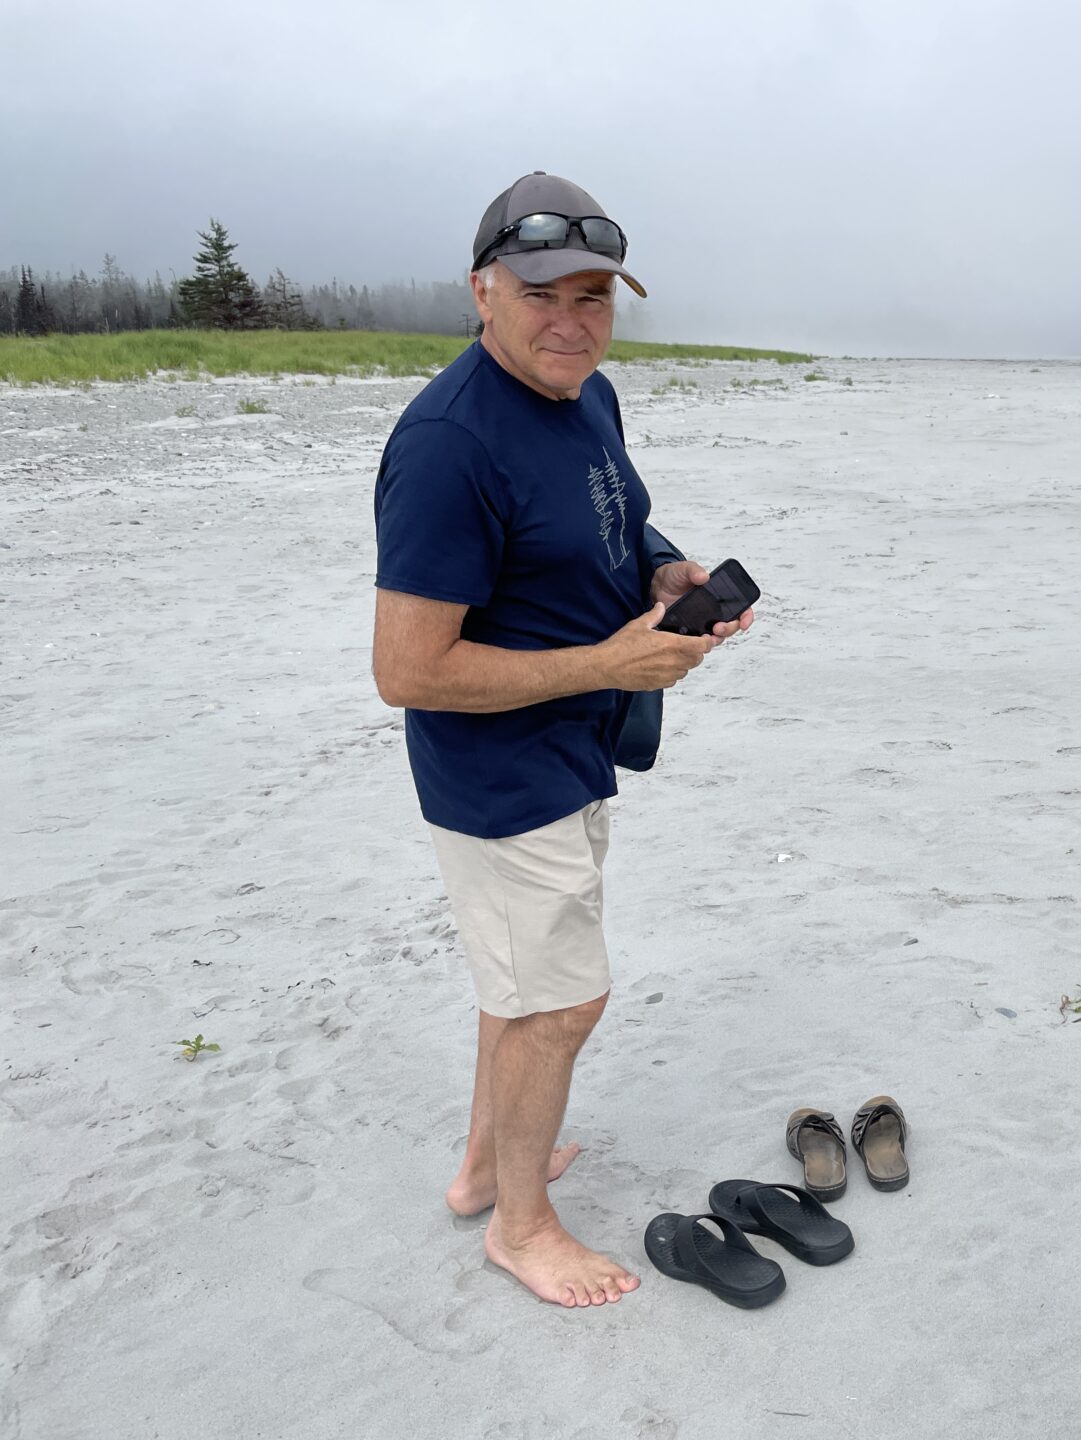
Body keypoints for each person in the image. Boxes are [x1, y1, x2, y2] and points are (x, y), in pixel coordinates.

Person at [370, 172, 753, 1308]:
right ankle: (522, 1229)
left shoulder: (587, 393)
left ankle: (488, 1168)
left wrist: (664, 572)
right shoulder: (447, 446)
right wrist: (608, 663)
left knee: (520, 979)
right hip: (498, 773)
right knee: (560, 1003)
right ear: (482, 289)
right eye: (543, 292)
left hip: (573, 746)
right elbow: (407, 670)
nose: (572, 319)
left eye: (595, 295)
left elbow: (614, 518)